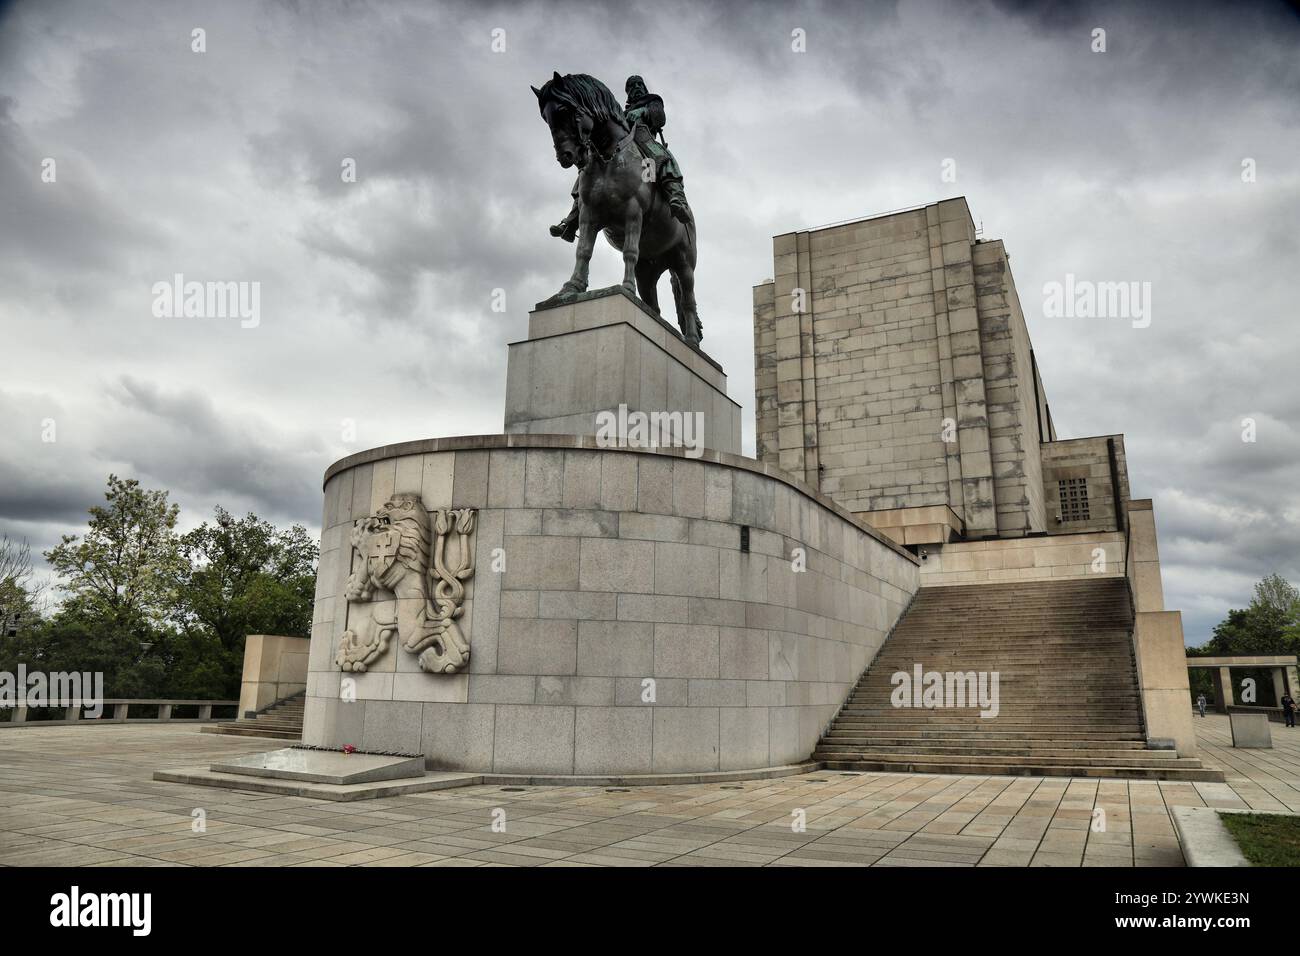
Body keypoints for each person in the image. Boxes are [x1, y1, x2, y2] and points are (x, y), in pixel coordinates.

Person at [550, 75, 694, 241]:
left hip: (643, 139)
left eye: (639, 84)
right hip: (619, 145)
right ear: (628, 92)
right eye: (632, 87)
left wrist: (644, 111)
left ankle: (676, 197)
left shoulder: (653, 100)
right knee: (589, 167)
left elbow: (659, 117)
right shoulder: (620, 111)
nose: (637, 88)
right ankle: (573, 218)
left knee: (661, 156)